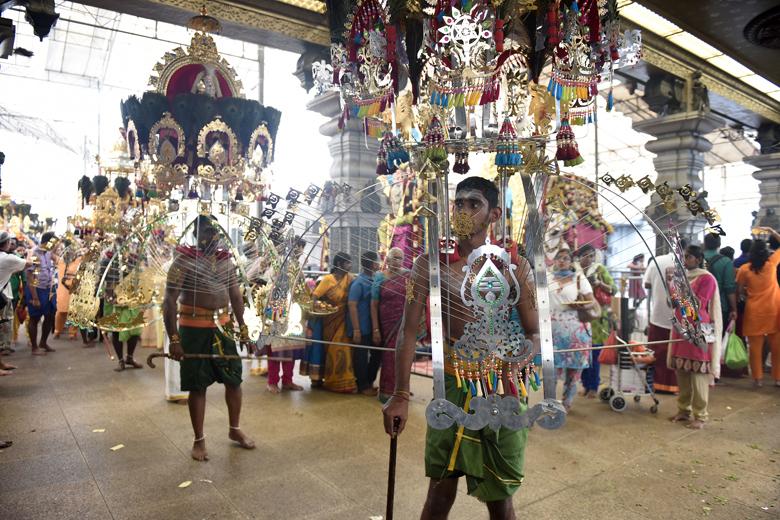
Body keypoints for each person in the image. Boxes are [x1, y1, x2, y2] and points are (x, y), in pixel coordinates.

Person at [383, 177, 539, 518]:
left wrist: (516, 364)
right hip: (451, 386)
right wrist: (400, 395)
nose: (463, 211)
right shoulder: (430, 264)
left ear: (494, 214)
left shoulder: (516, 266)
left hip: (501, 390)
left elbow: (534, 333)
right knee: (439, 492)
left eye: (474, 204)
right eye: (459, 203)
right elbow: (407, 332)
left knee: (501, 500)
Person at [163, 215, 255, 461]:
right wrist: (174, 339)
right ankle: (199, 440)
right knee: (197, 385)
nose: (211, 237)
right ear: (196, 234)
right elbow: (169, 301)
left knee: (234, 380)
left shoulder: (226, 262)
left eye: (214, 232)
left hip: (224, 328)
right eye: (205, 232)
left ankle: (234, 429)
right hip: (193, 329)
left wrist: (244, 329)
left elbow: (236, 297)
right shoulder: (183, 261)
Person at [668, 245, 722, 430]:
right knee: (681, 370)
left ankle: (700, 415)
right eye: (684, 256)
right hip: (681, 327)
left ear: (698, 259)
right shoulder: (682, 277)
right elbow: (673, 303)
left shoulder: (707, 278)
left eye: (688, 257)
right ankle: (683, 410)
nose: (684, 260)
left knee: (699, 373)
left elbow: (698, 304)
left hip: (699, 328)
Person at [551, 246, 595, 411]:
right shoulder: (546, 278)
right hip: (553, 331)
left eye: (566, 258)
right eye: (559, 258)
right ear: (554, 261)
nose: (562, 261)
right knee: (551, 370)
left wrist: (579, 305)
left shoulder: (579, 278)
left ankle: (567, 402)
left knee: (573, 370)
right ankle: (550, 401)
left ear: (571, 262)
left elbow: (591, 301)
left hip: (576, 330)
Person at [736, 229, 780, 387]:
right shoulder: (772, 265)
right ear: (766, 252)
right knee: (777, 348)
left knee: (755, 348)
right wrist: (772, 232)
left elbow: (739, 290)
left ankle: (758, 379)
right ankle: (778, 378)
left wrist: (746, 293)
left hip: (754, 311)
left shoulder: (745, 269)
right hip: (774, 310)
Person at [643, 240, 686, 394]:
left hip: (658, 315)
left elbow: (647, 284)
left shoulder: (656, 261)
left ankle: (654, 384)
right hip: (681, 318)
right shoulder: (687, 265)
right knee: (677, 352)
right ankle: (675, 386)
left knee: (656, 352)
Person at [311, 252, 357, 393]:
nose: (350, 265)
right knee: (333, 350)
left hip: (344, 320)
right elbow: (314, 297)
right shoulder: (328, 279)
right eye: (347, 263)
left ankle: (344, 383)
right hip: (330, 320)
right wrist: (319, 306)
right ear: (339, 264)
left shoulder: (350, 279)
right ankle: (332, 382)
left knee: (344, 349)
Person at [576, 244, 616, 398]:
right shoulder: (575, 272)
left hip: (597, 318)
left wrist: (600, 283)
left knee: (595, 353)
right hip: (580, 316)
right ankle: (585, 384)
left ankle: (593, 386)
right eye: (585, 255)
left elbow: (614, 289)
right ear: (579, 257)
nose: (589, 259)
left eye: (591, 255)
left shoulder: (600, 269)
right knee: (582, 352)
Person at [371, 247, 408, 403]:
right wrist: (376, 329)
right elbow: (374, 304)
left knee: (403, 356)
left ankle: (401, 390)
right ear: (388, 259)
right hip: (386, 324)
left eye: (400, 258)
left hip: (404, 323)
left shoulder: (408, 275)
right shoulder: (380, 277)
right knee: (389, 356)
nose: (397, 261)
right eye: (394, 257)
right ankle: (386, 392)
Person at [100, 247, 143, 371]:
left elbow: (138, 282)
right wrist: (110, 297)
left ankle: (129, 357)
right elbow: (104, 281)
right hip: (114, 303)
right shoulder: (108, 260)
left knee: (134, 331)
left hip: (132, 303)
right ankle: (120, 360)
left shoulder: (133, 259)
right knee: (116, 332)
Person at [348, 250, 382, 396]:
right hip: (361, 327)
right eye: (377, 261)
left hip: (373, 326)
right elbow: (352, 305)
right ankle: (362, 385)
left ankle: (369, 381)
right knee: (361, 357)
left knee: (376, 355)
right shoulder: (358, 282)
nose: (379, 263)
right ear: (373, 264)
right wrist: (356, 329)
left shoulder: (376, 279)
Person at [0, 232, 30, 374]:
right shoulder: (8, 258)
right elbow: (28, 264)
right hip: (1, 299)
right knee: (2, 331)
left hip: (3, 297)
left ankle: (1, 364)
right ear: (6, 243)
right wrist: (30, 254)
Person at [25, 232, 58, 355]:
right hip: (36, 289)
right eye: (53, 243)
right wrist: (35, 297)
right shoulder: (34, 254)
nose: (55, 245)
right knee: (35, 318)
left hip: (48, 289)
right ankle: (34, 347)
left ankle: (43, 342)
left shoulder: (48, 253)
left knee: (49, 316)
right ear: (47, 242)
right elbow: (30, 277)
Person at [703, 233, 738, 333]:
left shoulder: (696, 259)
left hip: (700, 307)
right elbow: (729, 288)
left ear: (705, 244)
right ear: (719, 244)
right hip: (720, 306)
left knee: (704, 337)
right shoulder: (726, 262)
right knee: (718, 337)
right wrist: (734, 309)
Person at [54, 245, 80, 340]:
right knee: (61, 312)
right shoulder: (60, 261)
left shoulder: (78, 261)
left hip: (74, 290)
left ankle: (72, 333)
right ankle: (57, 331)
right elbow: (51, 254)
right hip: (63, 291)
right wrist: (55, 244)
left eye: (72, 251)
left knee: (74, 312)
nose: (69, 253)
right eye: (68, 251)